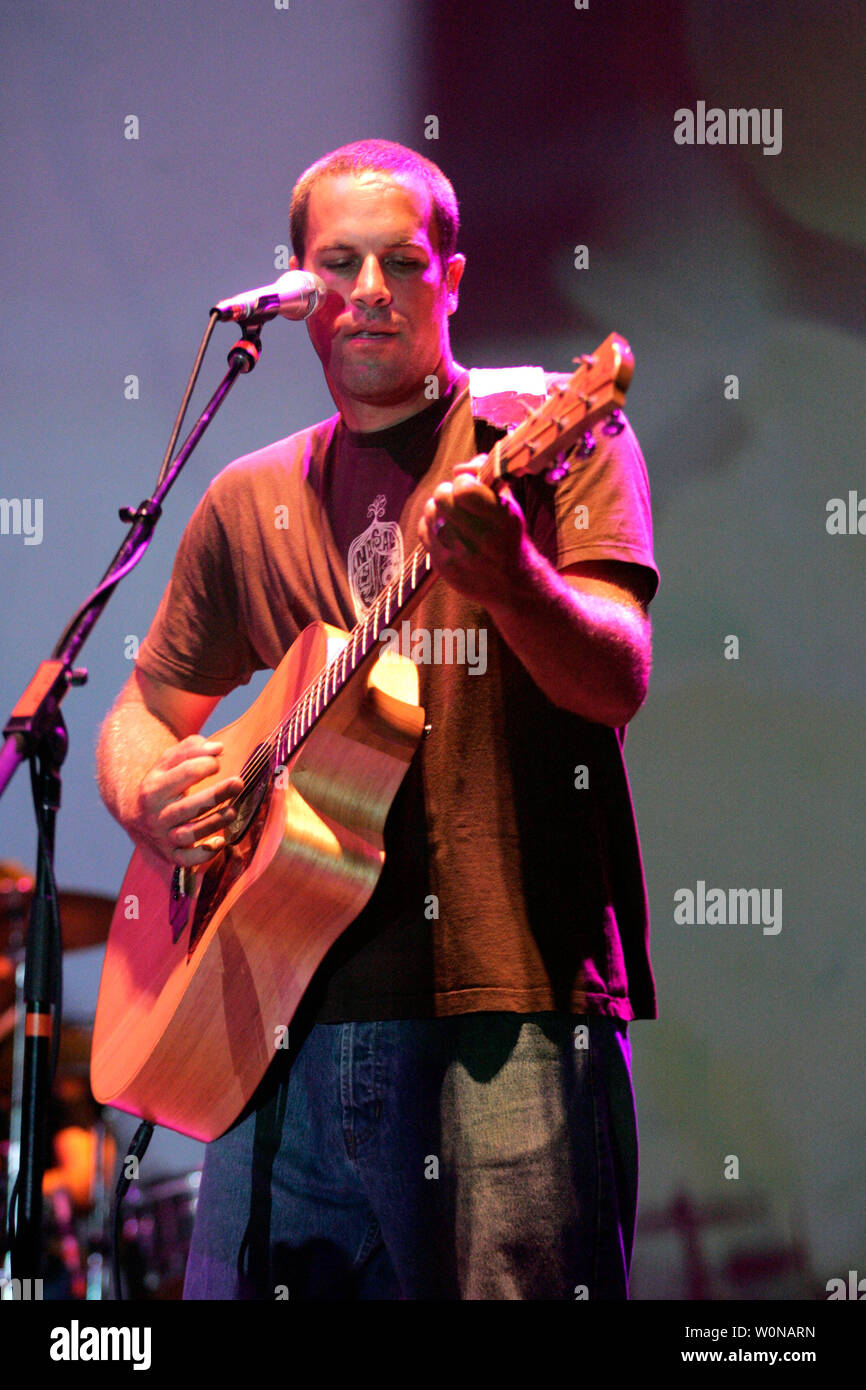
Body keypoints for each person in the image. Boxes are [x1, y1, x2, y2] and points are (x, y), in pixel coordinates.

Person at [96, 138, 659, 1300]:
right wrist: (149, 794)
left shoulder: (543, 431)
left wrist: (512, 583)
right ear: (294, 289)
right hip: (263, 1021)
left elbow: (615, 678)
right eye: (336, 265)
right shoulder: (248, 497)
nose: (367, 292)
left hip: (504, 1008)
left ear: (450, 277)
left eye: (401, 263)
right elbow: (142, 709)